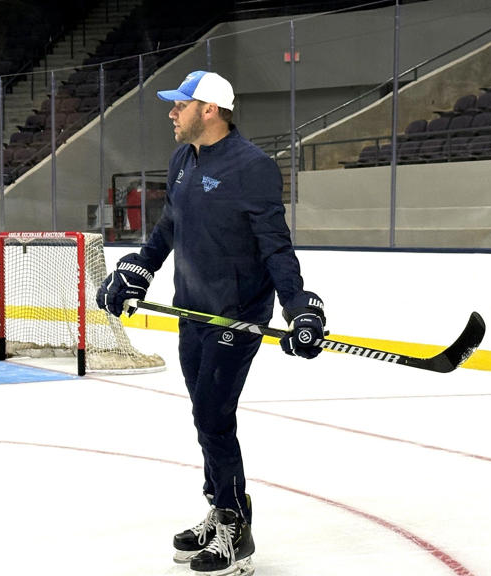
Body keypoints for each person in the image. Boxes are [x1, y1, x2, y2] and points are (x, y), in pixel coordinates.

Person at [96, 71, 326, 576]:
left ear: (211, 110)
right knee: (206, 416)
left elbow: (275, 245)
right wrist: (138, 270)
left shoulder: (254, 166)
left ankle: (233, 526)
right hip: (190, 311)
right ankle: (221, 504)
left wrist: (299, 307)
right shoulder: (183, 160)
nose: (171, 113)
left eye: (181, 104)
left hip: (236, 317)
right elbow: (169, 227)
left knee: (213, 416)